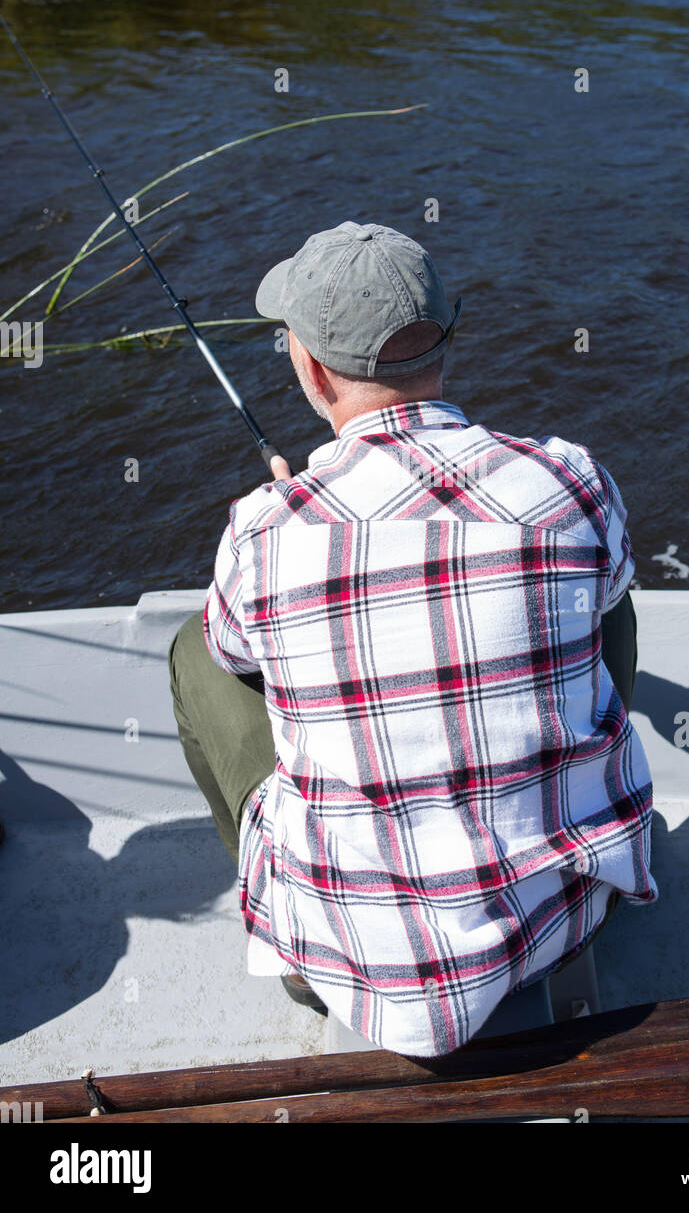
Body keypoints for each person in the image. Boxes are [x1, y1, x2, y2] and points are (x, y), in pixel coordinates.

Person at [168, 221, 658, 1058]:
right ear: (446, 340)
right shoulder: (570, 479)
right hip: (566, 924)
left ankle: (273, 886)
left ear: (311, 369)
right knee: (606, 589)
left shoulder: (262, 530)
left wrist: (288, 523)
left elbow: (232, 654)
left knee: (195, 649)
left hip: (341, 971)